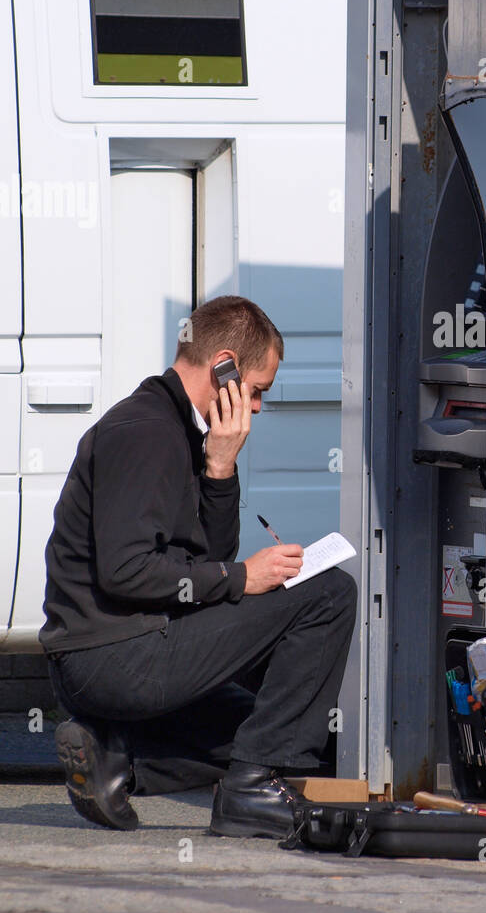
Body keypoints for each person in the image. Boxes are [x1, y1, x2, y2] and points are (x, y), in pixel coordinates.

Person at [41, 295, 357, 839]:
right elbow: (127, 572)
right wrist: (243, 577)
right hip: (112, 656)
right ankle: (249, 790)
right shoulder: (144, 431)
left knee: (307, 747)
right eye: (256, 390)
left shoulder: (182, 432)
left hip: (128, 654)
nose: (255, 407)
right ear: (224, 368)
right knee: (330, 594)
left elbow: (200, 565)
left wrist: (220, 468)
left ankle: (119, 758)